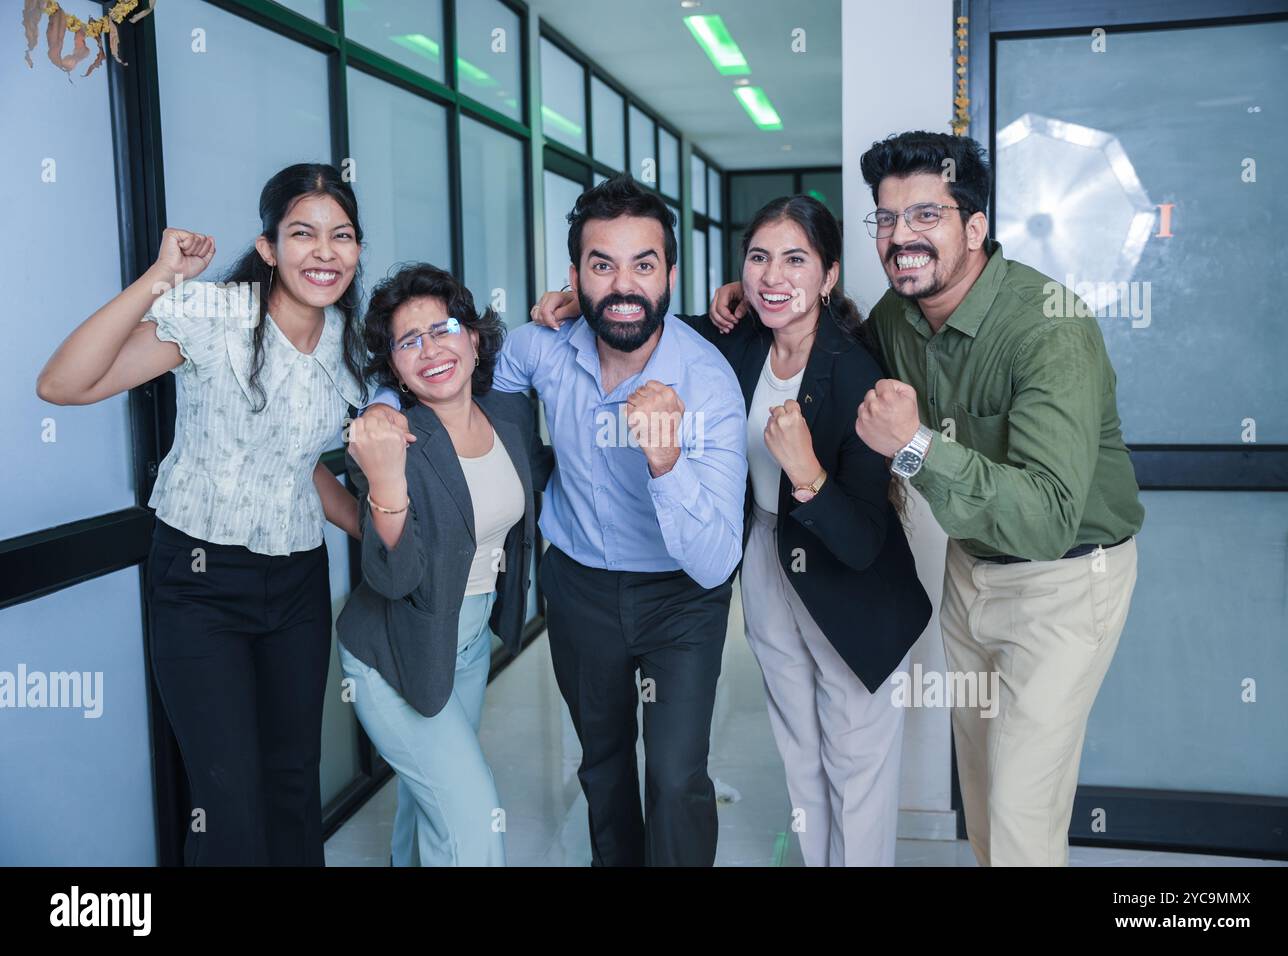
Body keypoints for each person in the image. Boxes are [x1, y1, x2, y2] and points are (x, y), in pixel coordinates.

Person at [713, 130, 1144, 867]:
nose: (901, 236)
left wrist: (913, 445)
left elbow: (1044, 517)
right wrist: (751, 300)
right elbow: (828, 329)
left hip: (1065, 578)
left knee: (1018, 815)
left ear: (975, 228)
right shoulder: (901, 316)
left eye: (926, 215)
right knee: (982, 792)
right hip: (971, 573)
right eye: (886, 218)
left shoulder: (1050, 328)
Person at [532, 194, 932, 866]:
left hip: (851, 584)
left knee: (855, 767)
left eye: (795, 260)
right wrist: (583, 299)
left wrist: (808, 474)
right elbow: (648, 318)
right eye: (759, 259)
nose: (774, 276)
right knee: (801, 757)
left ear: (830, 276)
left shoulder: (858, 371)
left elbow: (864, 540)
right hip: (771, 561)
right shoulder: (741, 340)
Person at [367, 174, 747, 866]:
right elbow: (456, 381)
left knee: (674, 777)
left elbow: (718, 560)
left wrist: (665, 462)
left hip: (681, 601)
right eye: (603, 265)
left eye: (644, 264)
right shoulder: (537, 351)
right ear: (575, 277)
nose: (624, 285)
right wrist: (380, 410)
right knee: (601, 764)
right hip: (580, 590)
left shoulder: (710, 383)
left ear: (671, 275)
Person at [36, 163, 369, 865]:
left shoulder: (348, 341)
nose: (325, 251)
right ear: (270, 248)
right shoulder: (219, 317)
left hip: (299, 582)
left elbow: (297, 454)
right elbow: (64, 383)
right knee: (228, 800)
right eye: (303, 233)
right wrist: (161, 277)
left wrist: (370, 527)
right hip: (201, 583)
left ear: (357, 251)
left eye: (342, 235)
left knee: (291, 781)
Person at [337, 263, 551, 867]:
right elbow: (395, 577)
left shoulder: (506, 418)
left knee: (426, 804)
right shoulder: (392, 440)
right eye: (409, 341)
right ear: (394, 367)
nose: (430, 349)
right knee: (472, 813)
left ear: (474, 337)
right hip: (395, 648)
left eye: (443, 329)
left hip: (469, 638)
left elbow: (539, 488)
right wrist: (384, 480)